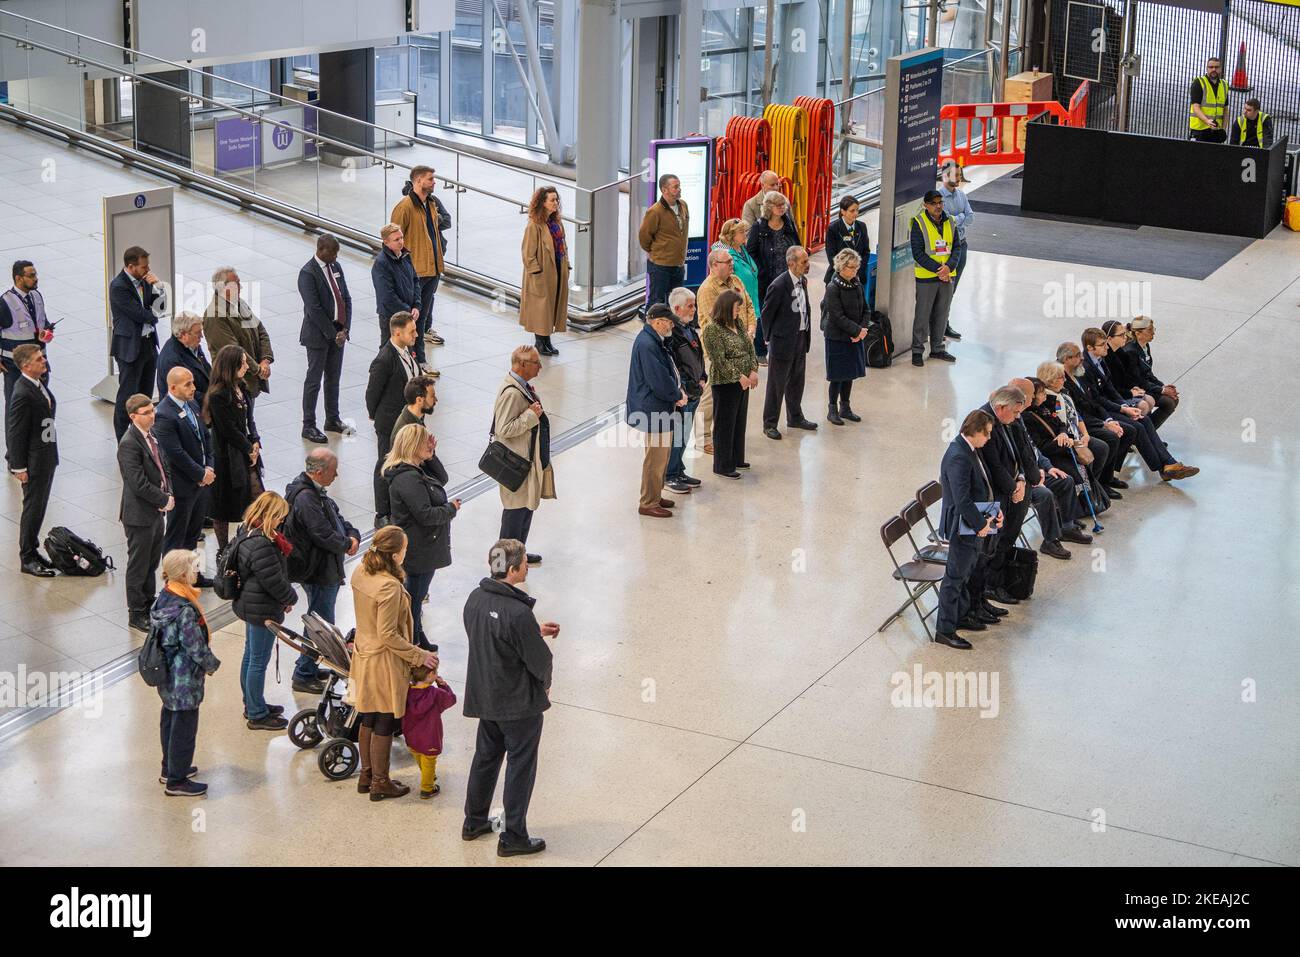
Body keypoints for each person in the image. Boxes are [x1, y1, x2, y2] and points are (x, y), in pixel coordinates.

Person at [462, 538, 559, 857]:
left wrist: (532, 631)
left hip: (485, 695)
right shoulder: (517, 612)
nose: (527, 567)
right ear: (515, 569)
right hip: (517, 703)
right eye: (524, 564)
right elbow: (539, 661)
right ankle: (514, 835)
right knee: (520, 765)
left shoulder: (475, 599)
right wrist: (544, 685)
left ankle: (474, 820)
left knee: (485, 758)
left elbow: (488, 636)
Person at [351, 525, 438, 800]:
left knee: (367, 716)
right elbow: (388, 634)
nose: (406, 553)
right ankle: (380, 782)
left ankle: (366, 776)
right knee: (385, 721)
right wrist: (419, 654)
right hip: (383, 663)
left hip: (362, 655)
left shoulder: (361, 571)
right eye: (404, 549)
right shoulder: (388, 586)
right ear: (396, 553)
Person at [283, 448, 360, 693]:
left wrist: (352, 534)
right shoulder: (306, 498)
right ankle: (304, 672)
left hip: (323, 567)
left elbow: (337, 519)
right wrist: (347, 544)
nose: (337, 475)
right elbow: (322, 534)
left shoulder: (316, 493)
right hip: (318, 569)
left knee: (320, 619)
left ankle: (311, 666)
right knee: (321, 624)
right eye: (333, 470)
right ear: (319, 471)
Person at [1078, 328, 1198, 482]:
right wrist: (1122, 408)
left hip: (1112, 404)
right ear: (1090, 347)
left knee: (1144, 419)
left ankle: (1169, 464)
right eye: (1102, 345)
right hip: (1101, 411)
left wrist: (1125, 405)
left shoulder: (1100, 360)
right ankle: (1166, 466)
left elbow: (1110, 389)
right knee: (1138, 426)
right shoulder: (1086, 368)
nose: (1106, 347)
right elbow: (1097, 400)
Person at [383, 423, 461, 650]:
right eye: (426, 442)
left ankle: (417, 634)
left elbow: (441, 478)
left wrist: (431, 455)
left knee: (417, 596)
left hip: (424, 547)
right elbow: (425, 514)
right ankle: (413, 642)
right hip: (418, 550)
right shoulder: (407, 478)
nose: (430, 444)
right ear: (413, 445)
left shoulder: (415, 470)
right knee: (414, 598)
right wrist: (451, 509)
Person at [151, 549, 220, 797]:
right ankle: (177, 781)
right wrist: (211, 664)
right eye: (194, 568)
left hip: (168, 673)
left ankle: (169, 768)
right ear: (182, 574)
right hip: (185, 676)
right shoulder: (185, 609)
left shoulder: (164, 597)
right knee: (185, 726)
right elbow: (195, 646)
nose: (198, 572)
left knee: (169, 718)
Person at [934, 410, 1002, 650]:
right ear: (975, 431)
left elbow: (979, 490)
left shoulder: (970, 450)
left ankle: (961, 615)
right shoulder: (958, 456)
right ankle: (945, 629)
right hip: (961, 527)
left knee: (966, 573)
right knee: (954, 578)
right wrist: (982, 524)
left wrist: (994, 513)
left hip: (973, 523)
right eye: (988, 433)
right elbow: (962, 500)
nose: (989, 438)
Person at [231, 491, 297, 730]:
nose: (281, 521)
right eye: (279, 516)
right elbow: (273, 581)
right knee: (258, 660)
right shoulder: (262, 543)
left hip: (250, 603)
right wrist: (290, 597)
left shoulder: (246, 531)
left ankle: (251, 702)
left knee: (250, 656)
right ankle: (257, 714)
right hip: (262, 608)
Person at [118, 394, 174, 632]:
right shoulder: (129, 443)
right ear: (133, 416)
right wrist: (162, 499)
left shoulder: (152, 436)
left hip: (155, 511)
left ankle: (149, 601)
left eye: (153, 411)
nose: (152, 416)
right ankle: (136, 611)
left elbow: (163, 467)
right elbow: (137, 482)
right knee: (138, 564)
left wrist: (167, 493)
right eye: (147, 413)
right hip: (139, 514)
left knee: (152, 561)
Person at [1025, 361, 1111, 511]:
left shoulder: (1052, 401)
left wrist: (1067, 433)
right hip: (1054, 450)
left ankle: (1089, 496)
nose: (1065, 380)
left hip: (1068, 440)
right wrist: (1065, 440)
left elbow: (1067, 420)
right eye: (1060, 377)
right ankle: (1076, 509)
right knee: (1074, 472)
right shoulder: (1032, 414)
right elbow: (1040, 445)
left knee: (1094, 454)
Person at [494, 346, 554, 564]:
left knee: (525, 512)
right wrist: (531, 415)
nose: (540, 366)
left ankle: (517, 555)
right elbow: (504, 429)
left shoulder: (521, 386)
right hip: (515, 466)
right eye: (536, 363)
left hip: (525, 463)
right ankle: (499, 565)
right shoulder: (511, 393)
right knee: (513, 517)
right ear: (521, 365)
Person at [204, 344, 264, 560]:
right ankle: (223, 549)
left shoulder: (242, 387)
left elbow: (250, 419)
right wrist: (248, 448)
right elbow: (227, 429)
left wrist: (255, 440)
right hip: (227, 456)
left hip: (246, 449)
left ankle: (253, 541)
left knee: (257, 495)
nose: (247, 366)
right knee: (223, 505)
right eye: (243, 363)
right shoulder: (219, 395)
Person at [694, 249, 756, 455]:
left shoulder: (736, 280)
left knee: (735, 393)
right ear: (713, 265)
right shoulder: (707, 290)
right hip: (718, 350)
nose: (732, 264)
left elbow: (748, 306)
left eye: (731, 261)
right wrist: (737, 338)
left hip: (742, 344)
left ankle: (729, 436)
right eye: (727, 262)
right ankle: (703, 439)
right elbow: (712, 323)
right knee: (711, 395)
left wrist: (750, 330)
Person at [628, 303, 687, 518]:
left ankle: (655, 494)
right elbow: (658, 380)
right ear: (657, 322)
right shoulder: (647, 344)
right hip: (653, 409)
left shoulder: (654, 340)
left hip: (659, 407)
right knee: (655, 458)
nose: (671, 326)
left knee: (661, 456)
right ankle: (648, 502)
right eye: (669, 322)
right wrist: (677, 395)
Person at [153, 368, 214, 574]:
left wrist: (209, 467)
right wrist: (200, 474)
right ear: (172, 387)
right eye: (187, 384)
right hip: (182, 486)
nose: (193, 388)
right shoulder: (163, 414)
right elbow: (175, 454)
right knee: (176, 535)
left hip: (201, 483)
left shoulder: (192, 404)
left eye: (193, 382)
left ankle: (193, 574)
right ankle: (172, 579)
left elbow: (206, 437)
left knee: (193, 533)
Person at [390, 165, 450, 369]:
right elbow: (393, 239)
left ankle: (420, 359)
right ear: (418, 181)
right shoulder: (404, 207)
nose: (434, 182)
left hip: (433, 269)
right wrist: (401, 268)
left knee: (423, 316)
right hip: (415, 270)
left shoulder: (431, 205)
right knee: (410, 317)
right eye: (430, 179)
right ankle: (408, 359)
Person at [6, 344, 58, 576]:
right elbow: (15, 432)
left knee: (39, 506)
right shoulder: (22, 392)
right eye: (39, 359)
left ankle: (33, 549)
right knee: (33, 508)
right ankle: (26, 556)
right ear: (26, 365)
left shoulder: (37, 385)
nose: (44, 361)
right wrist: (19, 466)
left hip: (46, 455)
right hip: (35, 460)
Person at [297, 234, 355, 443]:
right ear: (322, 249)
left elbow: (346, 298)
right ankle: (308, 425)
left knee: (333, 378)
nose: (336, 256)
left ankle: (332, 418)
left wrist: (345, 328)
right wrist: (333, 334)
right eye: (333, 252)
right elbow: (314, 309)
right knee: (314, 380)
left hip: (338, 334)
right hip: (318, 336)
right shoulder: (307, 273)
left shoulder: (336, 267)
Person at [366, 311, 421, 526]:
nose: (416, 335)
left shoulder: (407, 352)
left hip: (407, 420)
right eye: (412, 331)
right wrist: (375, 415)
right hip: (389, 422)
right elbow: (372, 393)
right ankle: (382, 513)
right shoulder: (384, 359)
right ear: (397, 333)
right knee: (385, 464)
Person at [761, 245, 817, 440]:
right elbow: (766, 315)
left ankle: (795, 416)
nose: (808, 265)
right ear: (790, 263)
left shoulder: (803, 281)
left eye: (808, 261)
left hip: (800, 337)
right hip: (782, 341)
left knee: (797, 380)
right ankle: (769, 423)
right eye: (804, 262)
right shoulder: (778, 285)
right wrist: (769, 340)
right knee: (776, 384)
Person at [108, 246, 165, 440]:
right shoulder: (118, 286)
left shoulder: (146, 281)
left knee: (145, 393)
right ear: (131, 266)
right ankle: (123, 440)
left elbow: (161, 307)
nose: (147, 270)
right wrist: (154, 316)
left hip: (148, 344)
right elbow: (140, 314)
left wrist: (158, 287)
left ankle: (143, 435)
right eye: (143, 267)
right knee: (128, 396)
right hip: (129, 348)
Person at [700, 290, 758, 478]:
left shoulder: (738, 323)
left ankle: (737, 458)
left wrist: (753, 370)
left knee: (739, 421)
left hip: (744, 381)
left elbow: (749, 348)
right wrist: (739, 377)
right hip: (725, 383)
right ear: (726, 308)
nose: (738, 311)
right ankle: (723, 465)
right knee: (725, 423)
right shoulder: (712, 329)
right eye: (736, 308)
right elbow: (718, 359)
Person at [203, 267, 273, 415]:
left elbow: (260, 330)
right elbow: (233, 351)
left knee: (248, 421)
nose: (240, 287)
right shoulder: (215, 316)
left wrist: (265, 360)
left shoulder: (239, 303)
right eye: (236, 284)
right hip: (232, 382)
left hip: (248, 380)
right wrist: (258, 369)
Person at [746, 191, 801, 365]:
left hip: (787, 278)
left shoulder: (789, 225)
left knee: (787, 312)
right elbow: (751, 252)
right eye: (779, 205)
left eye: (784, 205)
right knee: (764, 313)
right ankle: (760, 350)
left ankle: (783, 346)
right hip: (766, 279)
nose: (782, 208)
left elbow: (798, 247)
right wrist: (760, 270)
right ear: (769, 207)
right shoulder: (759, 226)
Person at [910, 190, 960, 366]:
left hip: (946, 276)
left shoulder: (951, 221)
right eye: (934, 203)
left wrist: (949, 268)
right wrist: (940, 269)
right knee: (922, 315)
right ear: (926, 205)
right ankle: (917, 350)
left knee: (942, 313)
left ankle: (937, 348)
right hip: (927, 277)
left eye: (940, 202)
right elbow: (917, 253)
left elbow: (957, 248)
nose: (938, 206)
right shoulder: (918, 223)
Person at [820, 248, 869, 426]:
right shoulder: (833, 288)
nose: (855, 270)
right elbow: (836, 316)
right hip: (837, 338)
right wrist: (856, 331)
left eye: (857, 267)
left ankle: (845, 408)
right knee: (837, 376)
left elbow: (866, 309)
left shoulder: (857, 284)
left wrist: (862, 330)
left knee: (849, 374)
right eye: (851, 267)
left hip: (854, 336)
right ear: (841, 267)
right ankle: (832, 409)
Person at [520, 185, 569, 357]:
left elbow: (562, 245)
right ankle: (540, 342)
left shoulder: (556, 222)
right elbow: (528, 253)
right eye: (552, 200)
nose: (555, 203)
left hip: (556, 269)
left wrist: (566, 265)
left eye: (556, 200)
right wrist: (536, 273)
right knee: (542, 309)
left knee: (551, 307)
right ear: (543, 202)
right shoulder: (534, 225)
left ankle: (547, 341)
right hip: (542, 273)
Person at [665, 292, 706, 494]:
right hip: (684, 394)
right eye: (690, 306)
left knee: (685, 434)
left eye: (694, 305)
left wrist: (703, 377)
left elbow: (698, 356)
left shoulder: (689, 329)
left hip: (695, 391)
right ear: (677, 309)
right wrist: (685, 388)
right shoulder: (672, 334)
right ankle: (670, 475)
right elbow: (674, 366)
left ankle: (678, 469)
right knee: (677, 435)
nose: (694, 309)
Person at [1, 259, 54, 406]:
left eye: (35, 274)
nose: (36, 278)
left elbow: (43, 322)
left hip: (39, 361)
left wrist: (48, 330)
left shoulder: (36, 296)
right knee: (16, 406)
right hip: (15, 366)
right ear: (18, 278)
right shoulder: (5, 302)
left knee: (43, 404)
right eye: (31, 276)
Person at [1111, 316, 1179, 428]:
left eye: (1153, 329)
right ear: (1138, 333)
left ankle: (1150, 433)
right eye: (1149, 330)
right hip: (1135, 388)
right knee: (1169, 402)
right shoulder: (1130, 351)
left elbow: (1148, 373)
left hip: (1146, 386)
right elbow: (1137, 380)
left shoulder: (1145, 346)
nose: (1153, 333)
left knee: (1173, 399)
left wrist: (1163, 386)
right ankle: (1148, 434)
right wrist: (1162, 390)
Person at [405, 663, 457, 799]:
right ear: (429, 675)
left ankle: (429, 774)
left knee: (417, 753)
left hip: (411, 734)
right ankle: (427, 788)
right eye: (435, 673)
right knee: (429, 758)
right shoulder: (435, 693)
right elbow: (451, 699)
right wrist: (443, 685)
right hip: (429, 734)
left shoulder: (407, 691)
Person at [638, 173, 689, 308]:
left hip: (678, 265)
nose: (679, 189)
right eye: (675, 187)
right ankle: (650, 329)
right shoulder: (655, 212)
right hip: (660, 267)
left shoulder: (683, 205)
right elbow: (644, 237)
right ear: (664, 190)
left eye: (679, 186)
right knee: (656, 302)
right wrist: (656, 252)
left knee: (677, 303)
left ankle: (674, 329)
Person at [370, 223, 422, 351]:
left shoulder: (405, 255)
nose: (401, 242)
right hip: (390, 317)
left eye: (401, 238)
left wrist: (416, 305)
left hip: (407, 314)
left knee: (407, 351)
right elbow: (387, 296)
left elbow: (415, 280)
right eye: (396, 239)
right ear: (386, 242)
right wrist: (407, 311)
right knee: (389, 351)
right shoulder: (381, 263)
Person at [938, 161, 972, 337]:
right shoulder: (938, 198)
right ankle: (937, 324)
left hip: (961, 246)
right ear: (945, 175)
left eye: (960, 175)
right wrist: (960, 217)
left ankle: (944, 323)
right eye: (956, 175)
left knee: (953, 287)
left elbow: (971, 217)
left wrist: (956, 218)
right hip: (946, 250)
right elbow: (945, 220)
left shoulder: (961, 195)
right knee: (943, 289)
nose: (959, 178)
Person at [157, 313, 211, 409]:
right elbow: (183, 391)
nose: (201, 336)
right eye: (197, 333)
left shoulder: (192, 345)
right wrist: (213, 399)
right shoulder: (171, 359)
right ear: (183, 334)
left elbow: (207, 371)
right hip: (185, 411)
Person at [823, 195, 871, 288]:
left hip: (857, 276)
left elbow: (866, 252)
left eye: (857, 210)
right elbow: (831, 256)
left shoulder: (862, 226)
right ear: (843, 211)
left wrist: (856, 270)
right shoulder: (833, 229)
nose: (856, 213)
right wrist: (846, 273)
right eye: (852, 211)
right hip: (838, 276)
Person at [1189, 56, 1228, 143]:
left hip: (1216, 131)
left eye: (1216, 67)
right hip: (1199, 130)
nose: (1214, 69)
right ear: (1207, 68)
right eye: (1211, 67)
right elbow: (1195, 107)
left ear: (1220, 69)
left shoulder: (1224, 85)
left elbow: (1225, 110)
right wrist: (1207, 121)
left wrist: (1223, 129)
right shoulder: (1198, 82)